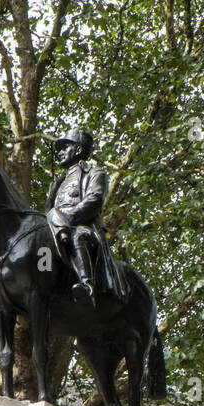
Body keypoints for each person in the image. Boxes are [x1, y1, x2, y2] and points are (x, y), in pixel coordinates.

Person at [45, 126, 127, 303]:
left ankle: (87, 285)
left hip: (83, 227)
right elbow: (47, 213)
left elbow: (94, 201)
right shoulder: (58, 183)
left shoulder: (95, 173)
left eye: (65, 147)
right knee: (35, 247)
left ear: (79, 149)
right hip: (55, 228)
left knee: (77, 237)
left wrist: (66, 219)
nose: (60, 153)